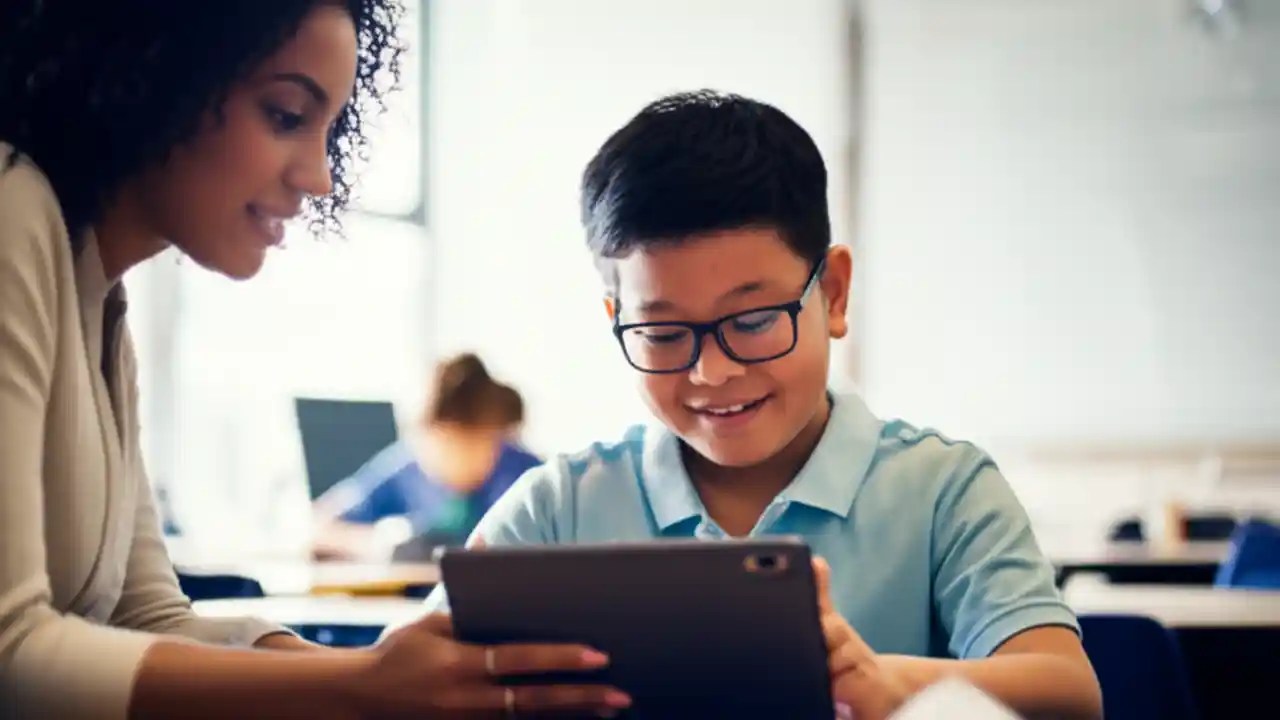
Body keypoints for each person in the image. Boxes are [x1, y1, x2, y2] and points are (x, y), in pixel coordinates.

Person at [0, 2, 630, 718]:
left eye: (329, 130)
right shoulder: (10, 209)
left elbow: (149, 617)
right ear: (151, 78)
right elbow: (10, 654)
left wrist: (398, 673)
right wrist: (365, 685)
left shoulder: (102, 302)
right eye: (286, 115)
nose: (320, 178)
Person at [420, 91, 1104, 719]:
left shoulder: (942, 492)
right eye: (661, 333)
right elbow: (409, 679)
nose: (711, 372)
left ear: (833, 294)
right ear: (616, 318)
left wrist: (890, 683)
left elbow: (1068, 693)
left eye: (752, 322)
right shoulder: (558, 508)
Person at [312, 353, 540, 560]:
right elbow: (318, 527)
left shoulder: (529, 480)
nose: (448, 459)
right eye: (438, 445)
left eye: (466, 445)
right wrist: (378, 543)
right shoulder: (405, 469)